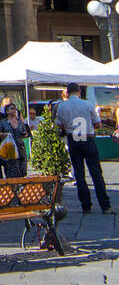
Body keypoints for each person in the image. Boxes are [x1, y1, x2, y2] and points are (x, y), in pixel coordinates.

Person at [55, 83, 112, 214]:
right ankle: (105, 205)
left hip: (73, 139)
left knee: (79, 174)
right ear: (79, 91)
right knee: (96, 173)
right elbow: (97, 124)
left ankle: (86, 205)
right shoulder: (88, 104)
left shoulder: (62, 106)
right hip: (88, 138)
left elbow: (59, 125)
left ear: (68, 92)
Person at [0, 102, 31, 179]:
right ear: (7, 111)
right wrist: (5, 134)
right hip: (10, 148)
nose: (14, 110)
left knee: (22, 169)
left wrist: (25, 134)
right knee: (11, 169)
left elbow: (25, 131)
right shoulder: (3, 122)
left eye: (15, 109)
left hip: (20, 147)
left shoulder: (19, 121)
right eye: (12, 108)